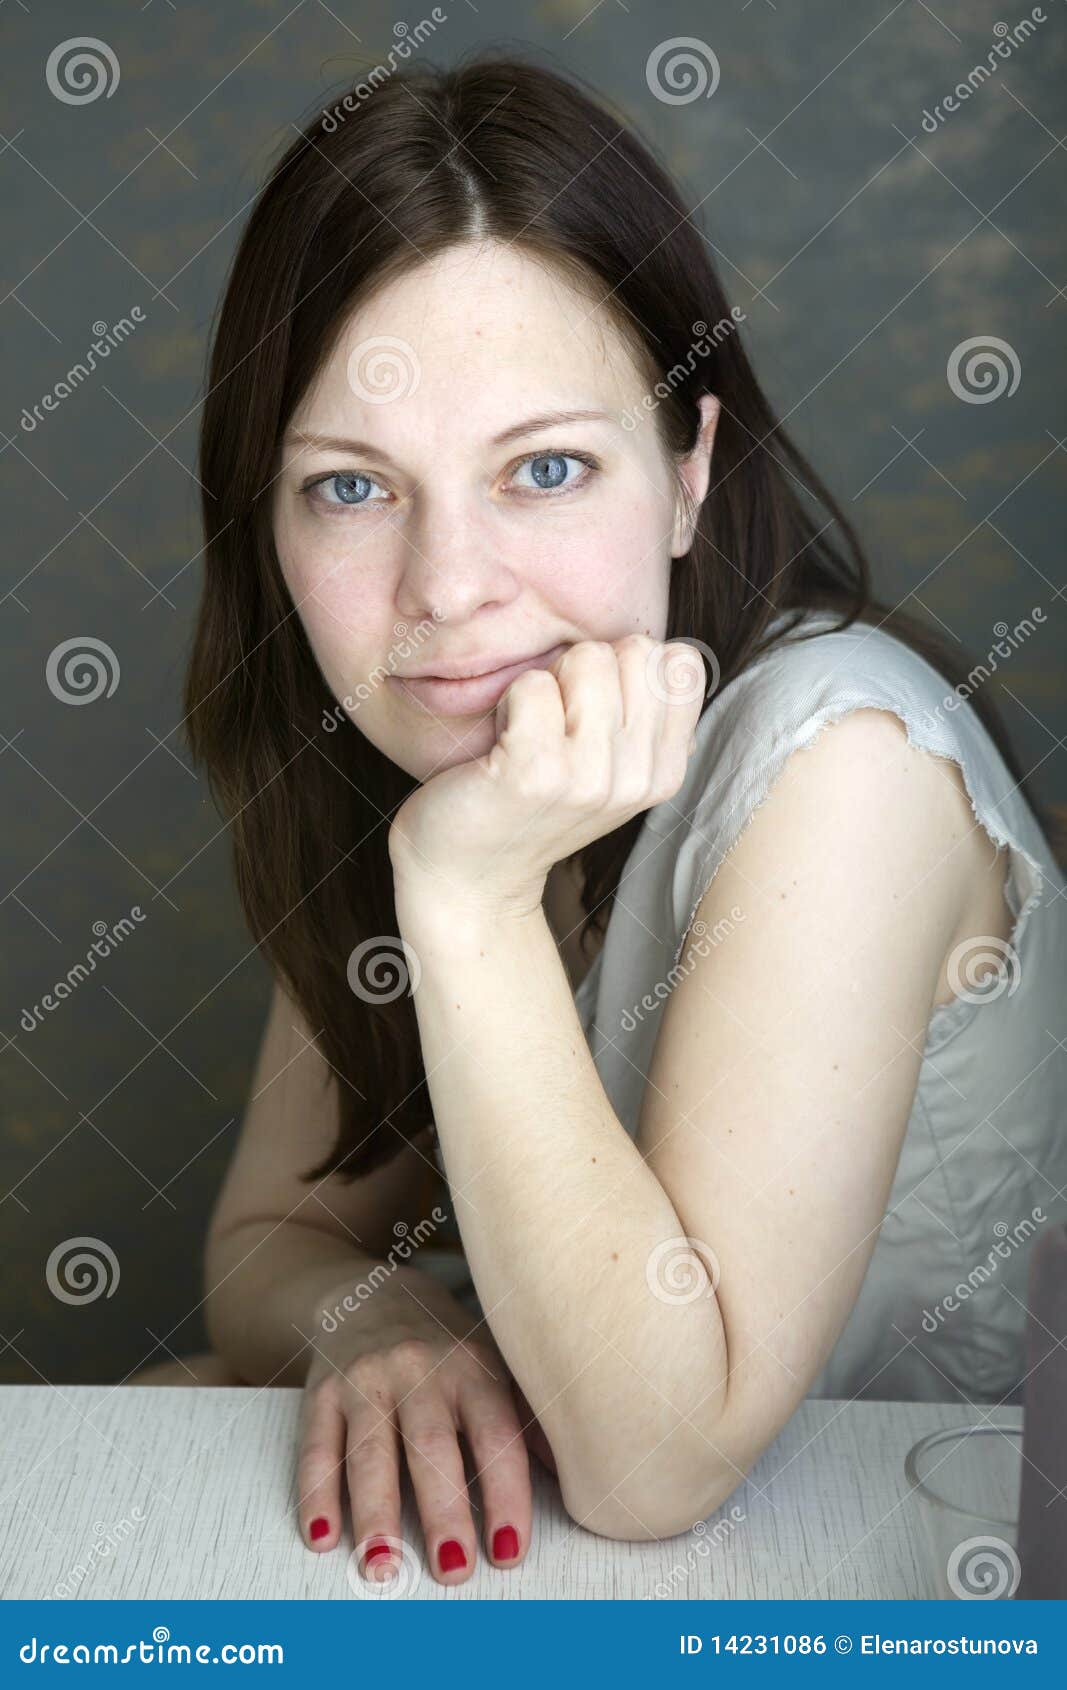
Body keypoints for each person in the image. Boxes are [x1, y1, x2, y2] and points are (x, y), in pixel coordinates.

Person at [129, 52, 1067, 1591]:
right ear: (269, 520)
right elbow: (264, 1246)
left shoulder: (845, 769)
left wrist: (469, 900)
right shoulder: (425, 739)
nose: (447, 588)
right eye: (352, 489)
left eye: (547, 468)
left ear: (688, 472)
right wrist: (390, 1323)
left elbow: (654, 1460)